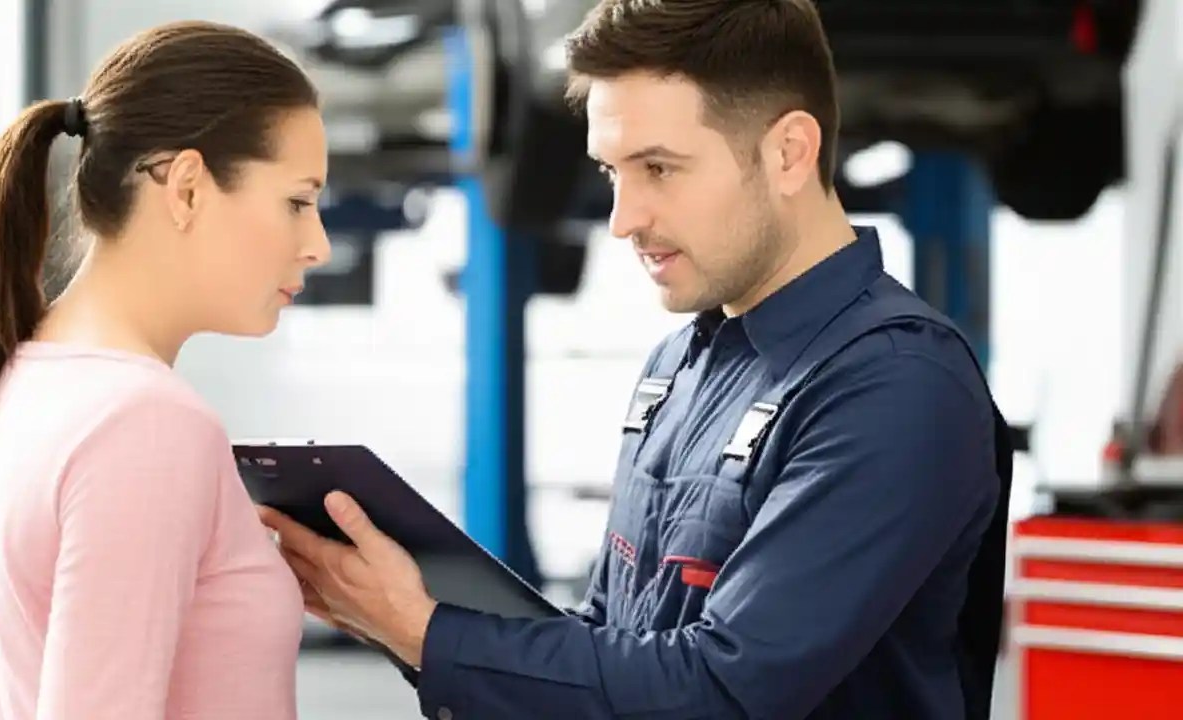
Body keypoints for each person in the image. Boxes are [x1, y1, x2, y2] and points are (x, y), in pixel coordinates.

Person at [260, 0, 1013, 718]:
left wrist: (429, 632)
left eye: (659, 168)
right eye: (612, 173)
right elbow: (612, 643)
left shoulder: (895, 386)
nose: (624, 220)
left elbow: (722, 692)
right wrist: (409, 618)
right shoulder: (677, 367)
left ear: (790, 153)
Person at [0, 20, 330, 719]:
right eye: (297, 202)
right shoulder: (148, 423)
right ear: (187, 188)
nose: (317, 244)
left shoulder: (24, 375)